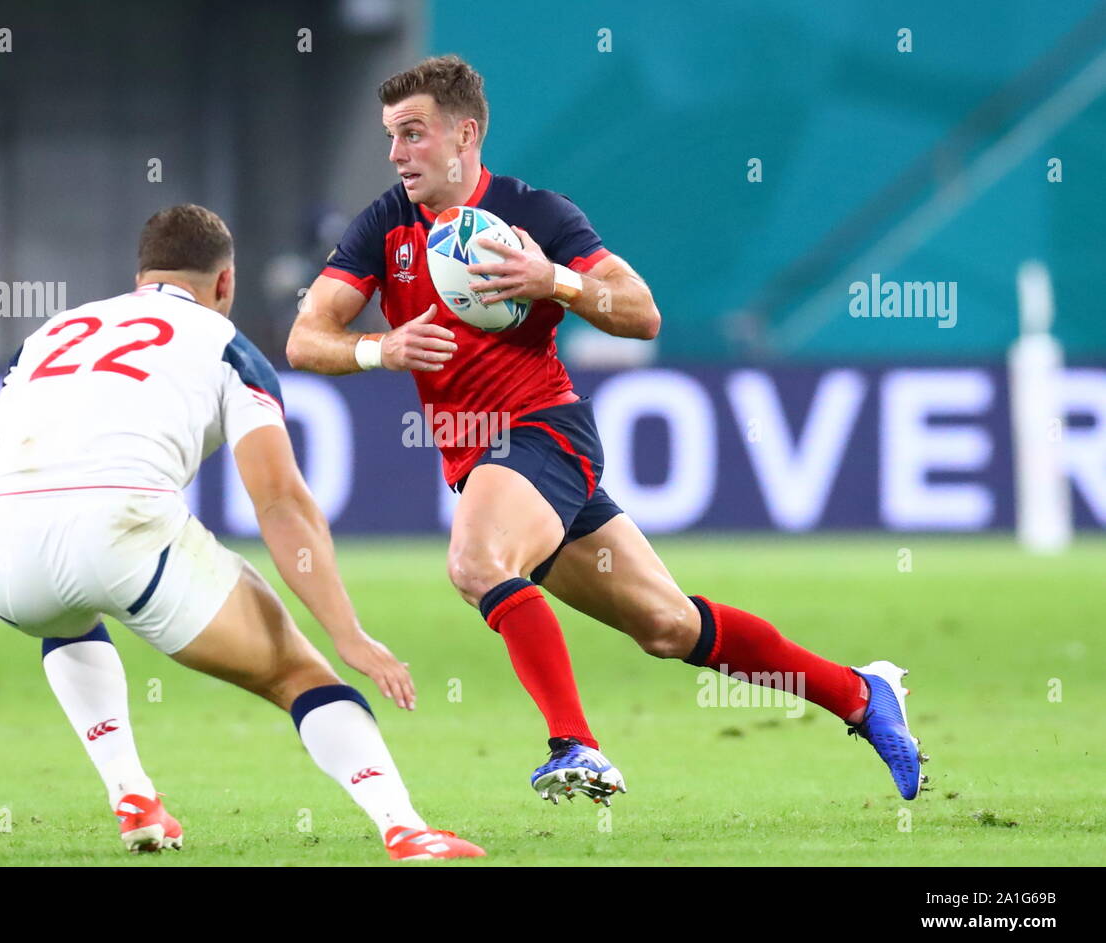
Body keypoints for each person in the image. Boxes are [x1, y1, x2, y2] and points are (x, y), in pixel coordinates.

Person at [286, 55, 926, 805]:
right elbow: (306, 337)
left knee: (477, 563)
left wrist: (553, 281)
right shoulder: (384, 224)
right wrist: (378, 348)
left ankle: (574, 744)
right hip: (481, 457)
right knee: (667, 625)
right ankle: (860, 694)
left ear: (465, 135)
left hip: (542, 432)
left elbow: (639, 310)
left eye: (413, 134)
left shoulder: (537, 215)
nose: (396, 154)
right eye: (392, 136)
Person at [0, 204, 485, 861]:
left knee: (62, 615)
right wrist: (347, 633)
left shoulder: (48, 336)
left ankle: (133, 794)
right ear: (225, 284)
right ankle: (403, 826)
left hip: (5, 562)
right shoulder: (226, 346)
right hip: (121, 534)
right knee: (298, 674)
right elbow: (281, 506)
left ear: (140, 276)